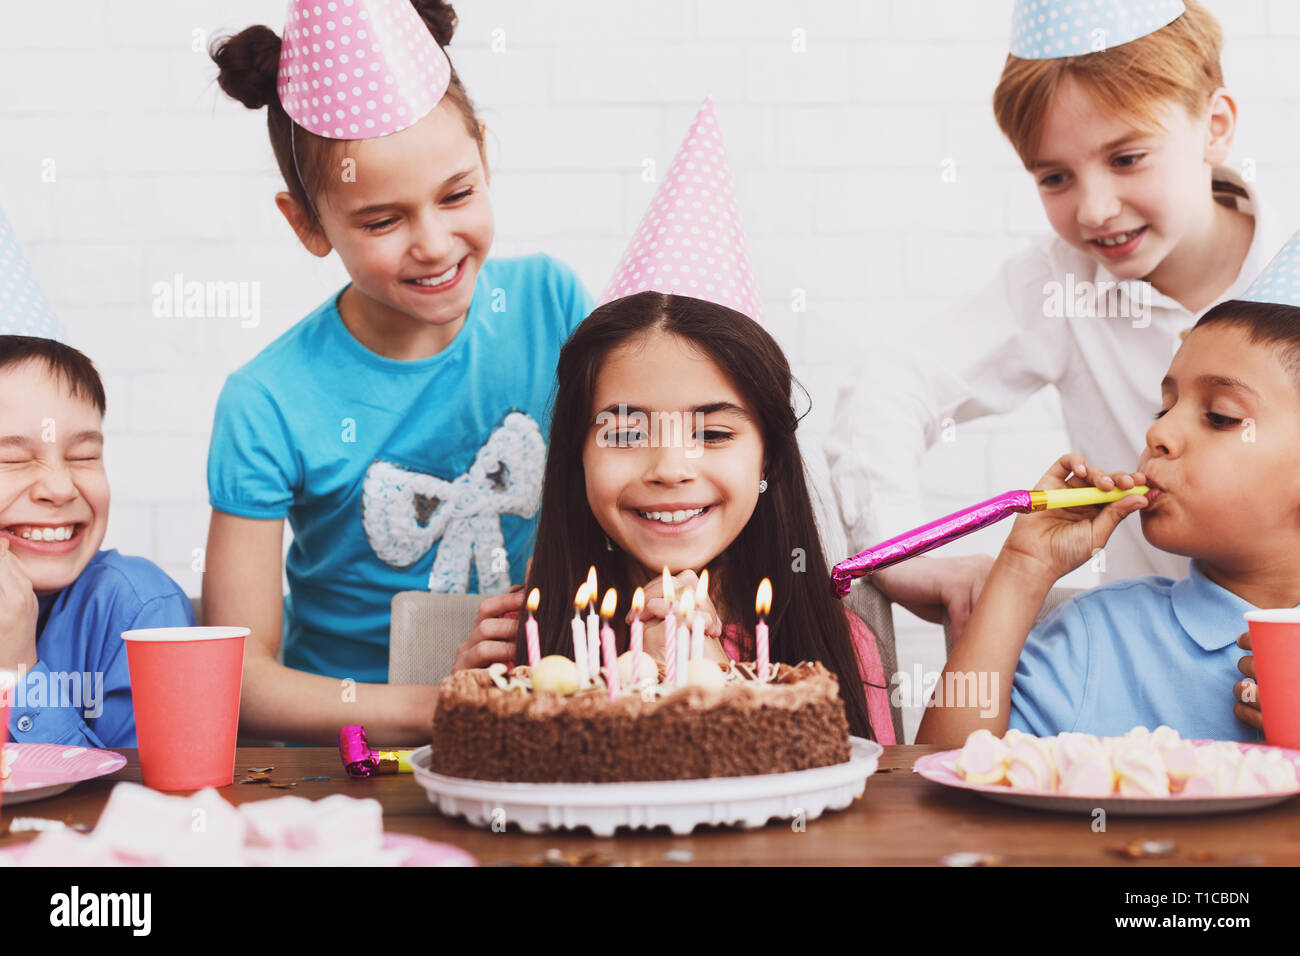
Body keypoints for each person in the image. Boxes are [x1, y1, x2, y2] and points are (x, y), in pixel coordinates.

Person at [202, 0, 592, 745]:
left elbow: (617, 481)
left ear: (484, 154)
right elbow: (240, 678)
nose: (435, 244)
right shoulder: (267, 402)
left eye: (458, 194)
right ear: (307, 225)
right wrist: (440, 706)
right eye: (382, 221)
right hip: (350, 761)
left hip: (537, 731)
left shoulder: (553, 304)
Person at [825, 0, 1275, 644]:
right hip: (1139, 676)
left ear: (1215, 125)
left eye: (1126, 159)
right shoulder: (1058, 284)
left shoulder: (1284, 262)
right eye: (1055, 176)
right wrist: (900, 553)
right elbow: (893, 385)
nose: (1094, 209)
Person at [916, 230, 1300, 746]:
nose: (1157, 433)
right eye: (1164, 408)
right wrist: (1022, 571)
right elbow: (943, 770)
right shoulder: (1099, 636)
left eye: (1220, 416)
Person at [0, 208, 194, 746]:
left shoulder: (137, 611)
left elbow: (134, 807)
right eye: (13, 460)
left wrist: (17, 667)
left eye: (84, 456)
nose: (61, 488)